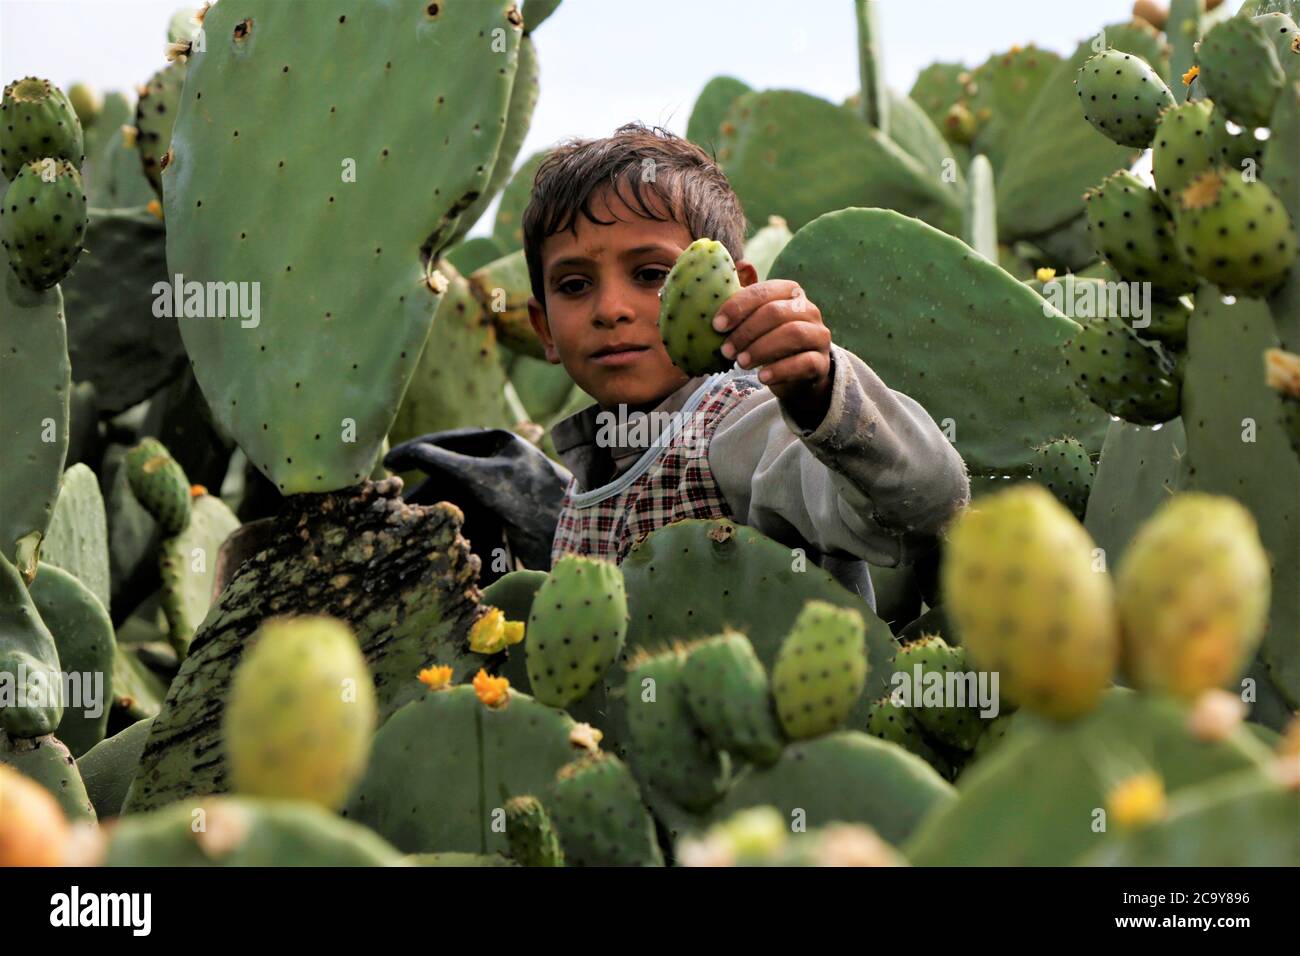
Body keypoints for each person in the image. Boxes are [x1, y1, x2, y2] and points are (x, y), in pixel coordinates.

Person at [521, 122, 970, 608]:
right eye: (573, 285)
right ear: (543, 327)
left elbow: (926, 506)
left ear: (735, 293)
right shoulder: (581, 483)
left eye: (651, 274)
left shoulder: (744, 429)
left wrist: (821, 395)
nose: (610, 308)